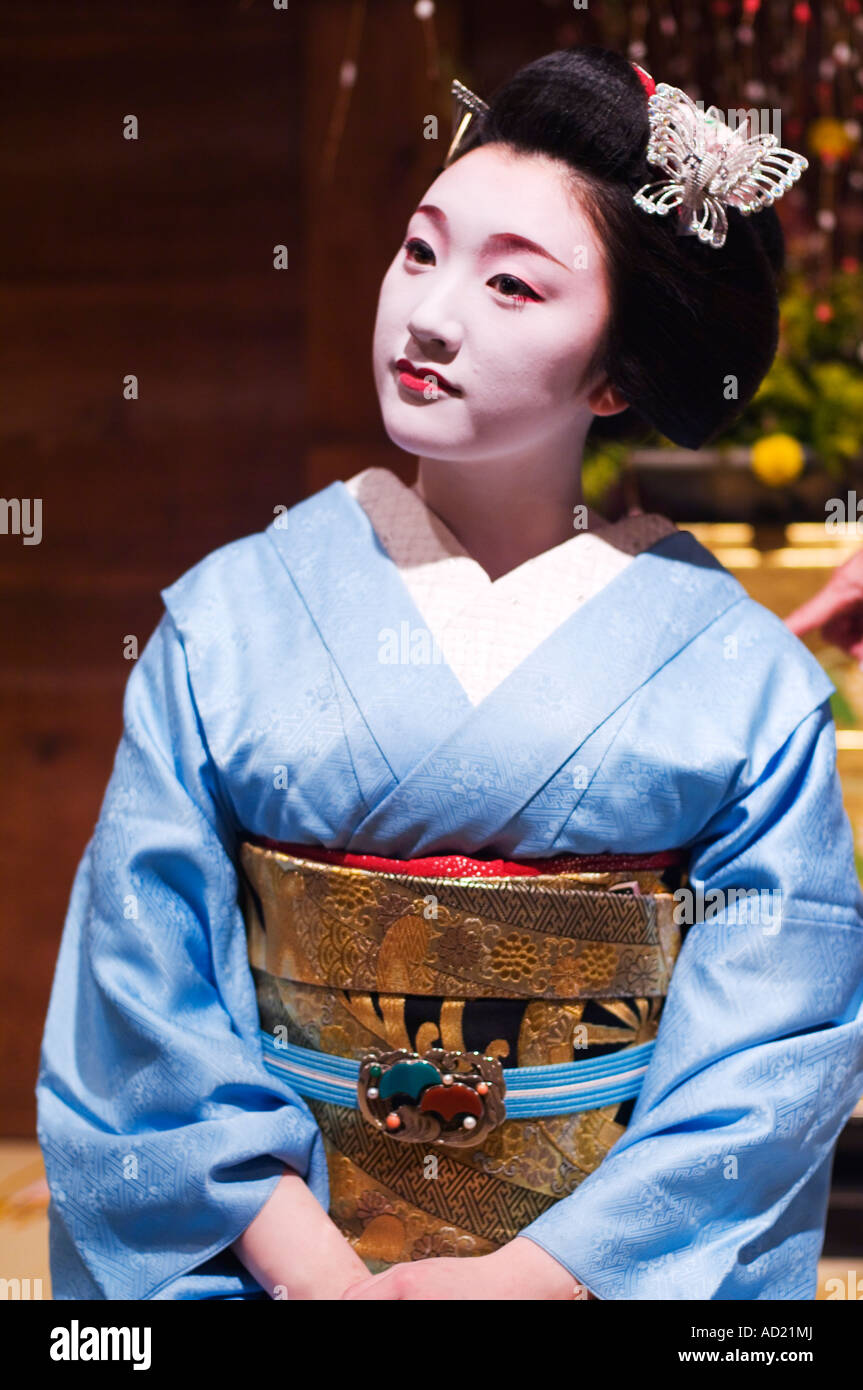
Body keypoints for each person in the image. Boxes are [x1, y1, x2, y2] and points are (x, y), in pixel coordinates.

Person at [37, 44, 863, 1301]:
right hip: (269, 1265)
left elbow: (770, 1044)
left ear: (618, 372)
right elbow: (137, 978)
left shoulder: (738, 680)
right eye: (419, 250)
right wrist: (299, 1258)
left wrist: (539, 1275)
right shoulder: (229, 622)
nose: (428, 312)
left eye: (513, 288)